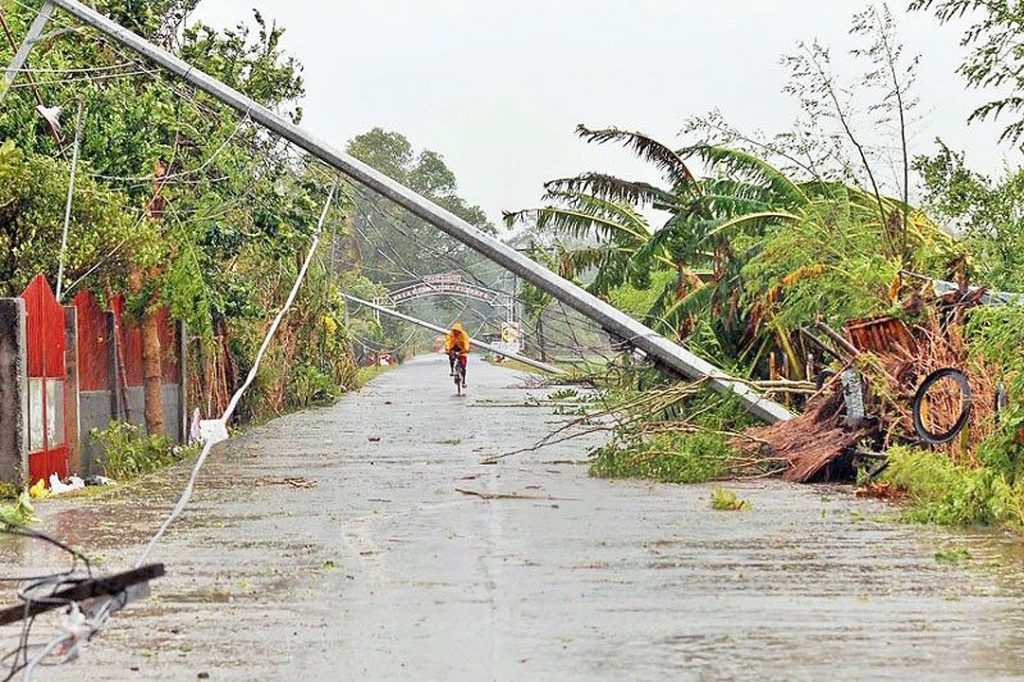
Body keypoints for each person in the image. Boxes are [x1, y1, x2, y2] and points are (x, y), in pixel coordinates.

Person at [444, 321, 470, 386]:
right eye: (455, 331)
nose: (456, 332)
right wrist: (447, 349)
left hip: (462, 348)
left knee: (463, 365)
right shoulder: (451, 334)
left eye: (457, 331)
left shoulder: (464, 334)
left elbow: (466, 343)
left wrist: (465, 350)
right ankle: (452, 370)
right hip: (453, 347)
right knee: (451, 357)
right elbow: (448, 341)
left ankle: (463, 381)